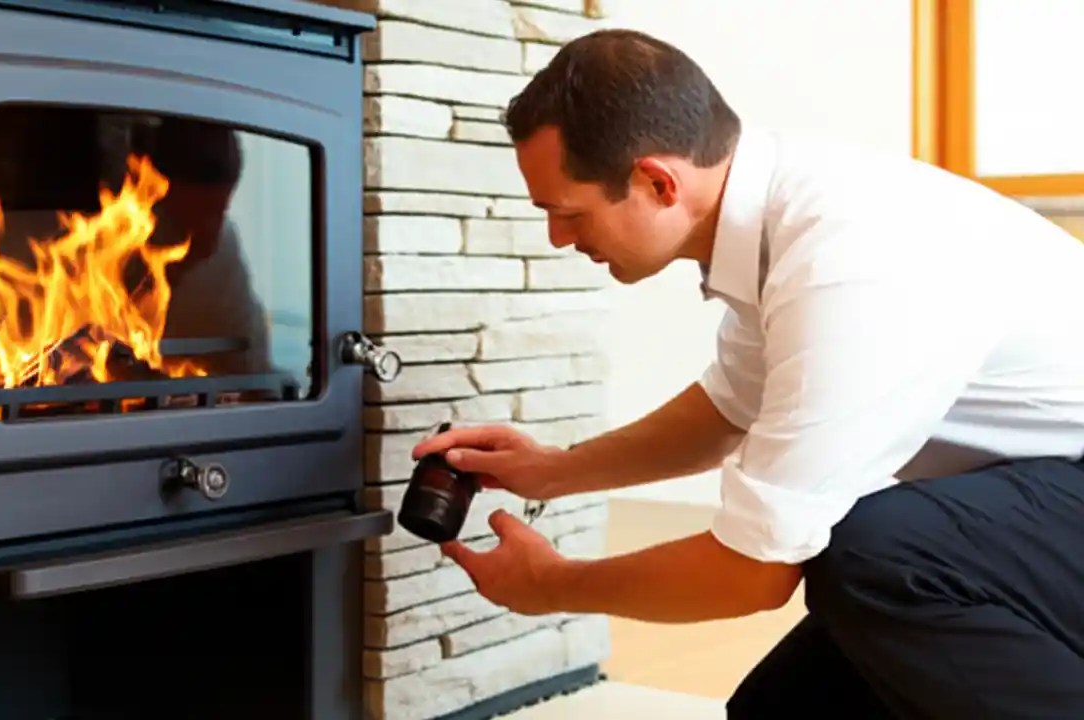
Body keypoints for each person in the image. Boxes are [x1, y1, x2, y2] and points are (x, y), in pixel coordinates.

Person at [411, 28, 1084, 719]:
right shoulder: (777, 220)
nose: (557, 238)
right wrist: (554, 471)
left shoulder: (845, 261)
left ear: (656, 181)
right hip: (1041, 497)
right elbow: (727, 411)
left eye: (566, 213)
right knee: (776, 709)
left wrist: (552, 586)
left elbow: (753, 573)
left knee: (875, 554)